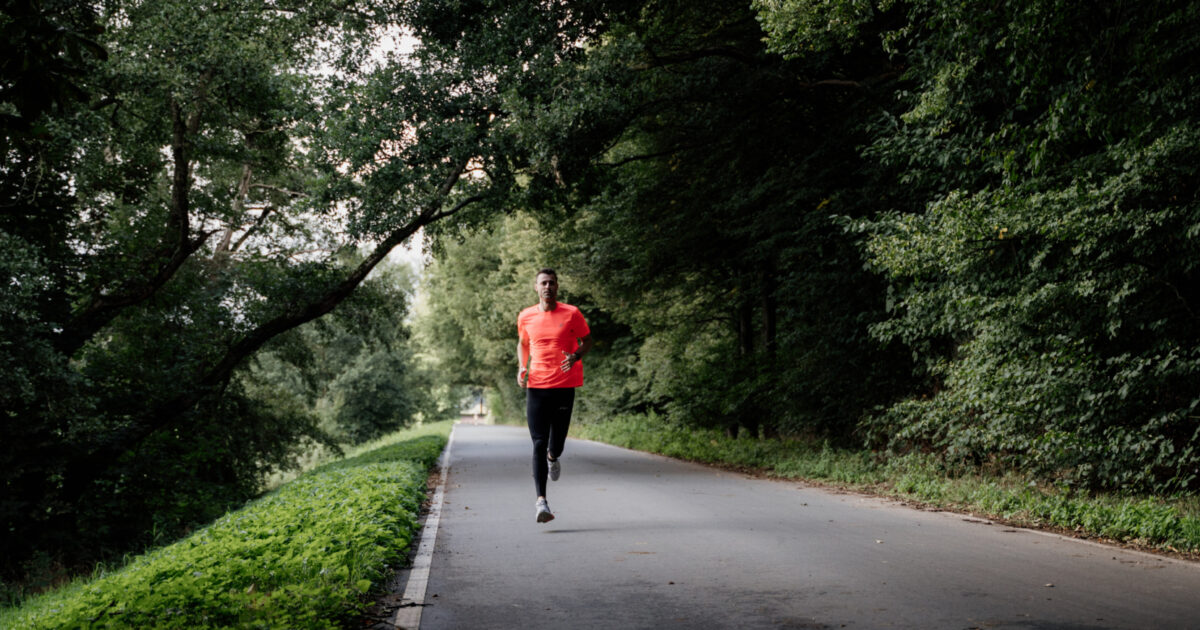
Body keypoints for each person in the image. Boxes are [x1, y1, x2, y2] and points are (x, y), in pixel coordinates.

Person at [517, 268, 593, 523]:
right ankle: (541, 502)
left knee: (556, 443)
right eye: (543, 283)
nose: (547, 286)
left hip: (563, 386)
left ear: (557, 287)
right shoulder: (526, 316)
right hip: (536, 387)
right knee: (538, 442)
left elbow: (588, 341)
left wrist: (576, 355)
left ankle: (553, 457)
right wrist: (521, 366)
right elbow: (523, 343)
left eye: (551, 282)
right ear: (536, 288)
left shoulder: (571, 313)